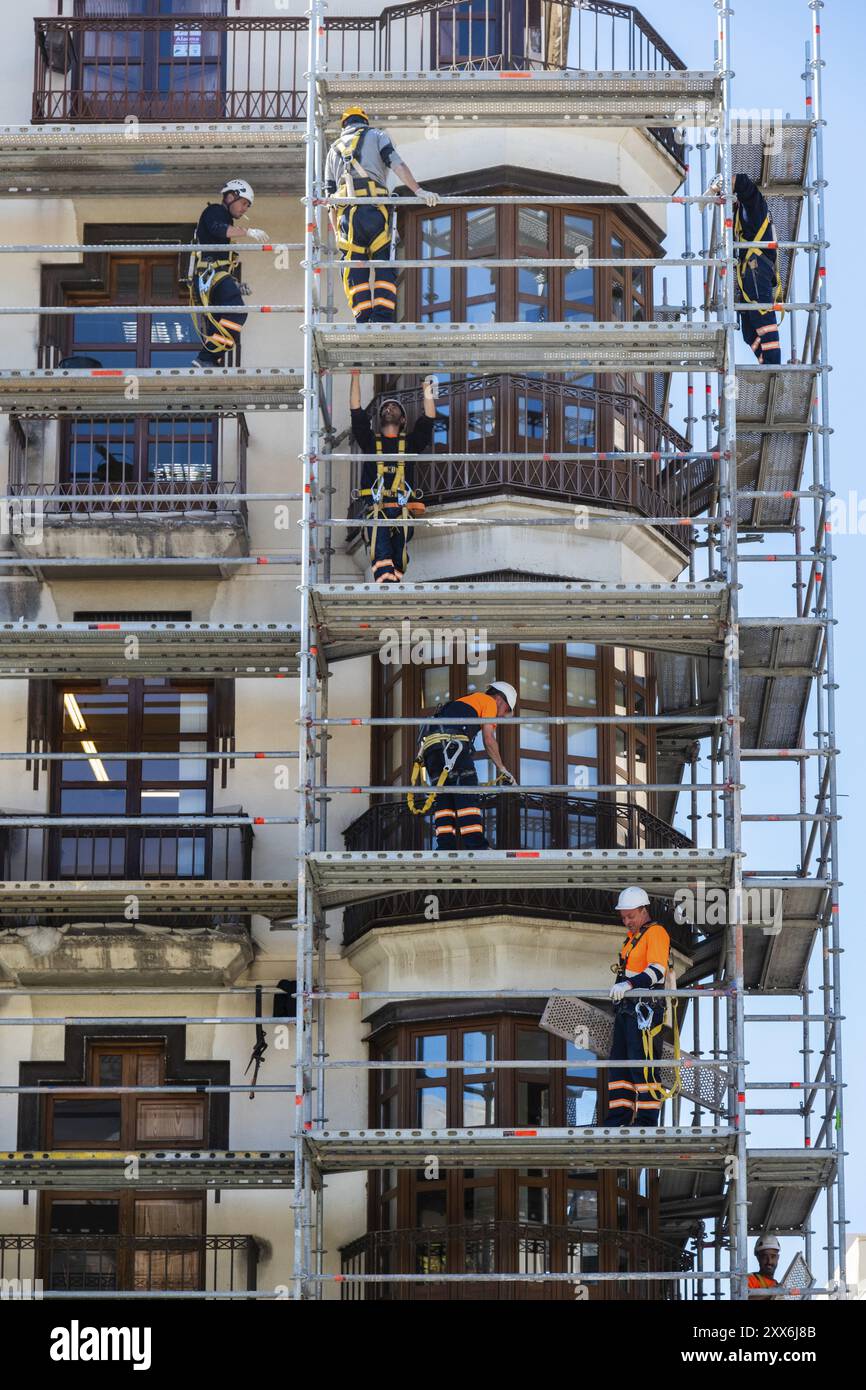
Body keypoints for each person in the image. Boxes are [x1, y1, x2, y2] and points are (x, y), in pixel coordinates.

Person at [326, 107, 439, 324]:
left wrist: (336, 233)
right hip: (375, 211)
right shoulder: (377, 136)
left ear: (344, 125)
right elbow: (397, 165)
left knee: (353, 265)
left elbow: (329, 199)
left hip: (347, 216)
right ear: (364, 122)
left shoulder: (333, 150)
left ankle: (363, 318)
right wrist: (418, 191)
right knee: (383, 264)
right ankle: (381, 318)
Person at [350, 369, 436, 584]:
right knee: (382, 556)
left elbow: (429, 419)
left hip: (401, 511)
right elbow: (356, 411)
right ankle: (387, 589)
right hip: (376, 510)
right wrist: (355, 376)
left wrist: (427, 388)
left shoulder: (410, 444)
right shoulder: (369, 441)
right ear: (380, 419)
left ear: (403, 419)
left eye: (395, 407)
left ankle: (393, 588)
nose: (390, 408)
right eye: (386, 408)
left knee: (398, 559)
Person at [414, 682, 518, 849]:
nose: (501, 716)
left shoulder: (466, 702)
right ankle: (476, 845)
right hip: (453, 747)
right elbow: (489, 739)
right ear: (500, 699)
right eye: (505, 710)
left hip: (433, 753)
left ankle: (445, 847)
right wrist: (502, 769)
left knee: (444, 799)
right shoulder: (488, 702)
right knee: (467, 790)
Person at [607, 886, 671, 1126]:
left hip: (644, 1009)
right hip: (628, 1008)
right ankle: (618, 1119)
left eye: (630, 916)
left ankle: (645, 1120)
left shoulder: (656, 933)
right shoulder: (634, 938)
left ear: (644, 911)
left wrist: (628, 985)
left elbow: (656, 971)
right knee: (620, 1066)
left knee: (641, 1063)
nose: (626, 921)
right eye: (623, 917)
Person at [188, 179, 269, 368]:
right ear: (231, 196)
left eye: (247, 206)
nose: (244, 209)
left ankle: (208, 360)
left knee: (228, 328)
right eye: (243, 203)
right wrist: (247, 232)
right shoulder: (215, 211)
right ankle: (206, 357)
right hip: (210, 275)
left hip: (213, 277)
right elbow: (219, 230)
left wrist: (235, 286)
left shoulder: (225, 219)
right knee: (237, 313)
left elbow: (221, 257)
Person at [711, 171, 782, 364]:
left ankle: (773, 365)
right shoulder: (739, 215)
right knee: (749, 331)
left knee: (762, 319)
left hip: (756, 268)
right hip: (750, 272)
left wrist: (724, 183)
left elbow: (742, 182)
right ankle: (766, 362)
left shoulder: (752, 206)